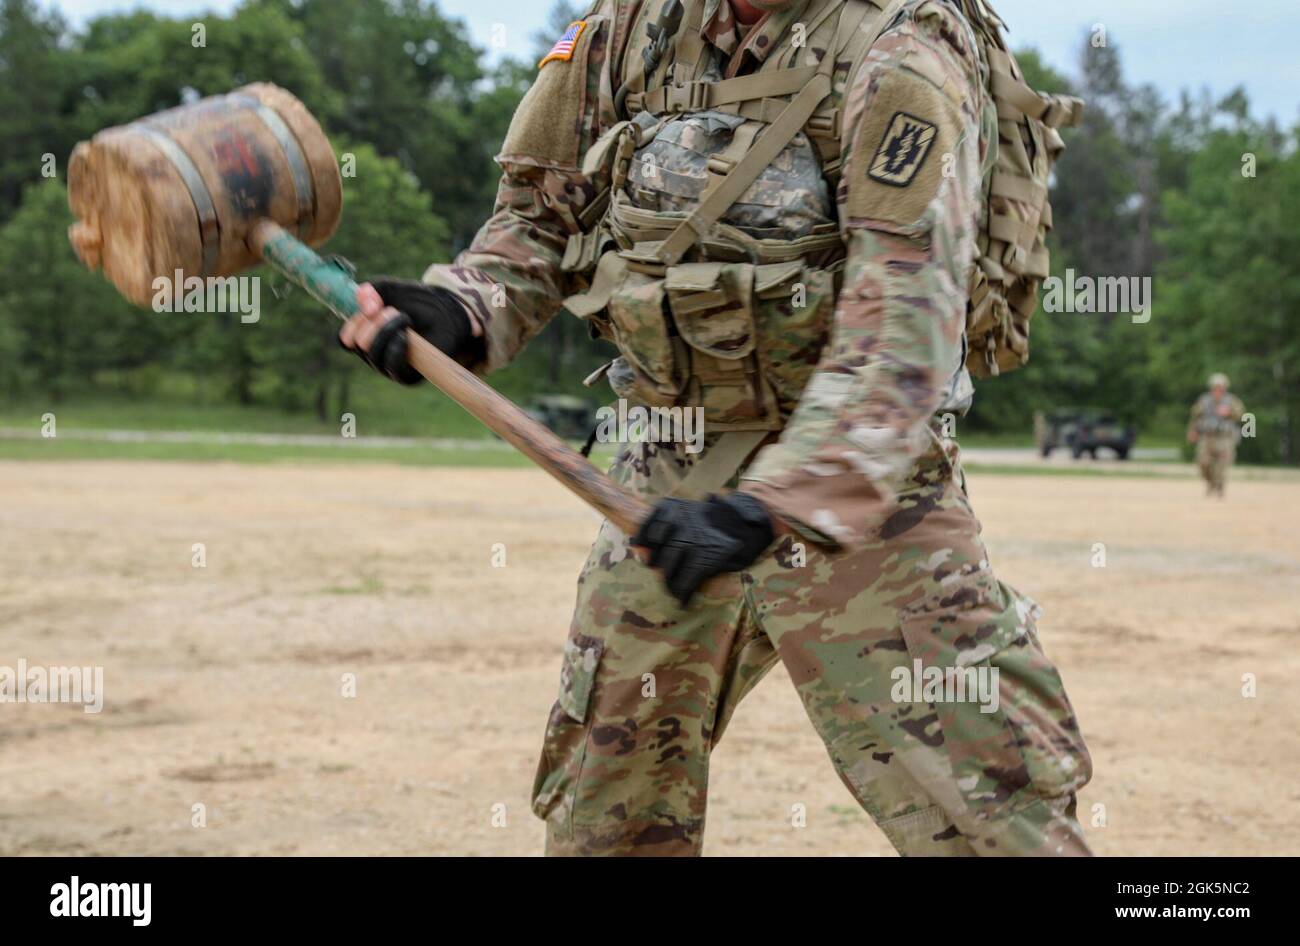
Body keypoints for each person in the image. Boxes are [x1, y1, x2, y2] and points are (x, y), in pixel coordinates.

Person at [338, 0, 1092, 856]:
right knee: (606, 812)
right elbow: (542, 215)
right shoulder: (629, 26)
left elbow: (904, 323)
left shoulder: (903, 46)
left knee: (994, 819)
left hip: (864, 503)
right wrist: (464, 308)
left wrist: (770, 508)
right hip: (666, 481)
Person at [1188, 373, 1245, 498]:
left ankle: (1219, 485)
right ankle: (1211, 483)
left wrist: (1230, 412)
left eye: (1220, 387)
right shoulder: (1204, 400)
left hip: (1225, 437)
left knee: (1222, 464)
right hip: (1207, 436)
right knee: (1203, 462)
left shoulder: (1231, 401)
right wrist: (1193, 431)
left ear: (1225, 388)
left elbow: (1242, 415)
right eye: (1215, 387)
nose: (1218, 390)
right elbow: (1195, 417)